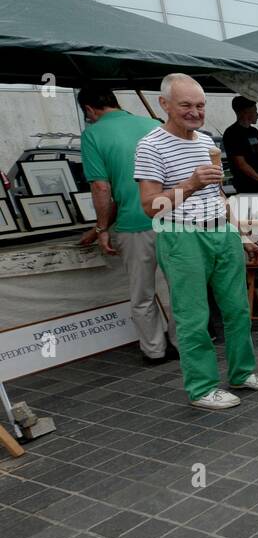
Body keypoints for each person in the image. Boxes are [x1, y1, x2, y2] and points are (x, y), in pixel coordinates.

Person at [135, 73, 258, 409]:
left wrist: (241, 234)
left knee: (238, 309)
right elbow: (149, 207)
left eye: (200, 105)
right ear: (165, 104)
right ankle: (201, 388)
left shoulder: (206, 142)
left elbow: (218, 194)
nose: (195, 111)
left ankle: (242, 373)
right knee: (193, 316)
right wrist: (191, 183)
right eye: (186, 105)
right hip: (181, 235)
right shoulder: (150, 145)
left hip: (221, 231)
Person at [75, 83, 177, 366]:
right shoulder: (154, 124)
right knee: (179, 286)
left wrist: (101, 227)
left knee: (142, 292)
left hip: (133, 223)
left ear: (89, 109)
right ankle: (186, 342)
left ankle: (155, 350)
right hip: (170, 216)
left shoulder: (93, 135)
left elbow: (102, 187)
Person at [222, 96, 258, 194]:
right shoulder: (232, 133)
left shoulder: (255, 132)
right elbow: (241, 164)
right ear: (245, 112)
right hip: (247, 187)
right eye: (255, 110)